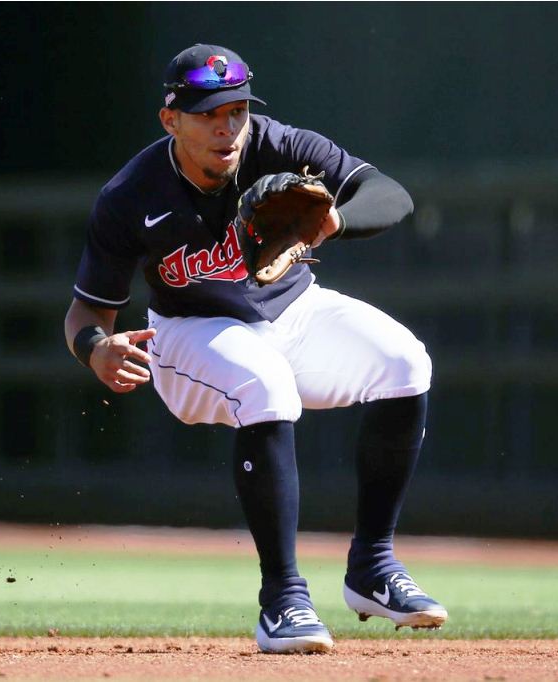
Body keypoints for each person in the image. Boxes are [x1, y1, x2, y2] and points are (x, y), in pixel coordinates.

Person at [63, 43, 447, 654]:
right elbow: (87, 310)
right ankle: (282, 599)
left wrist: (334, 222)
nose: (228, 126)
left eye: (237, 109)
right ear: (171, 120)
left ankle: (372, 567)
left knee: (406, 362)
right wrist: (94, 349)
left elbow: (391, 195)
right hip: (189, 335)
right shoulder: (131, 194)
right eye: (209, 113)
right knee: (265, 383)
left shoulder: (276, 144)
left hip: (292, 311)